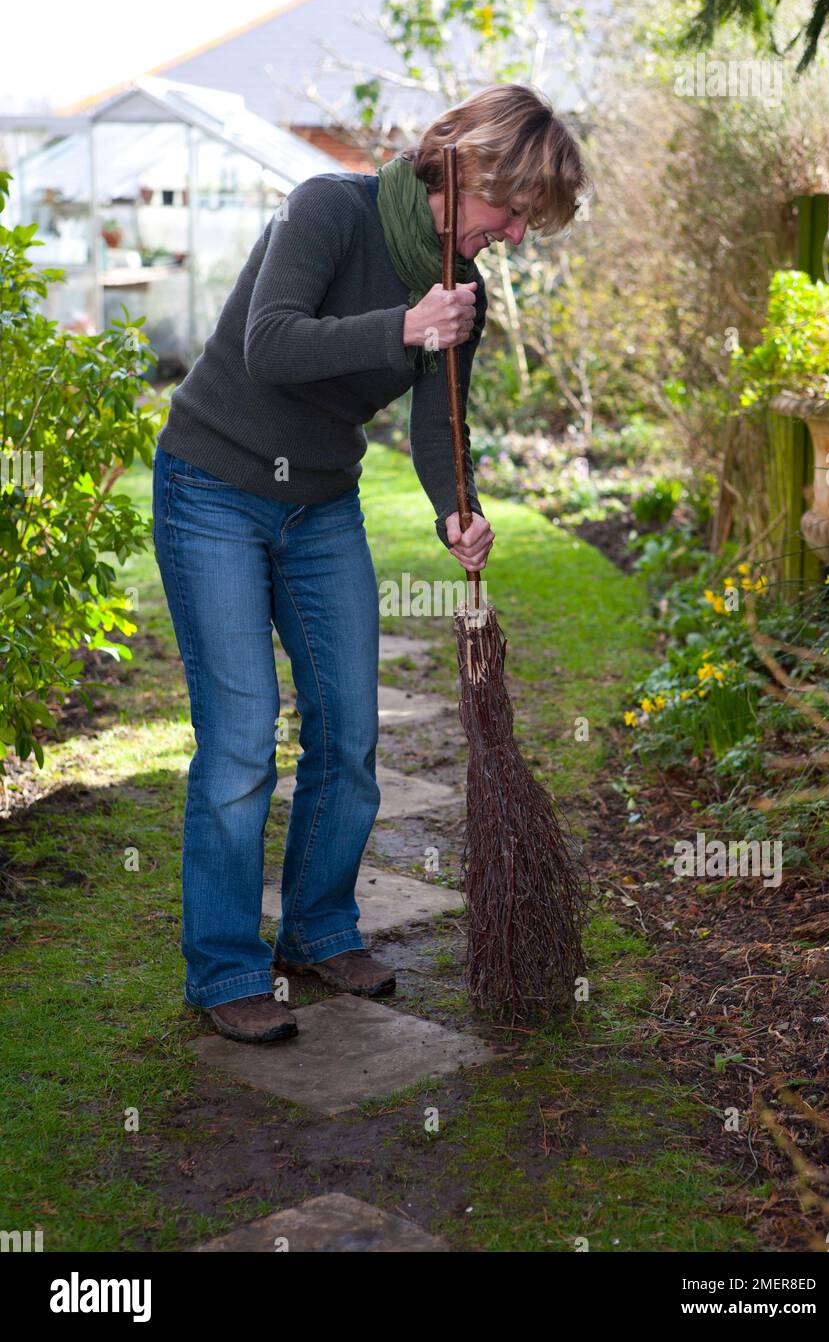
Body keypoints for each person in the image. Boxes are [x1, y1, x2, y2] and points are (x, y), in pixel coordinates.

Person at [151, 82, 587, 1043]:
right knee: (240, 739)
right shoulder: (326, 210)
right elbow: (270, 347)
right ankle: (225, 967)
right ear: (469, 168)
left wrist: (457, 513)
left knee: (349, 728)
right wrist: (401, 325)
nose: (515, 235)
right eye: (513, 211)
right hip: (212, 487)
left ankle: (317, 929)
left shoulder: (461, 293)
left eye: (529, 224)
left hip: (319, 506)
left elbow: (443, 427)